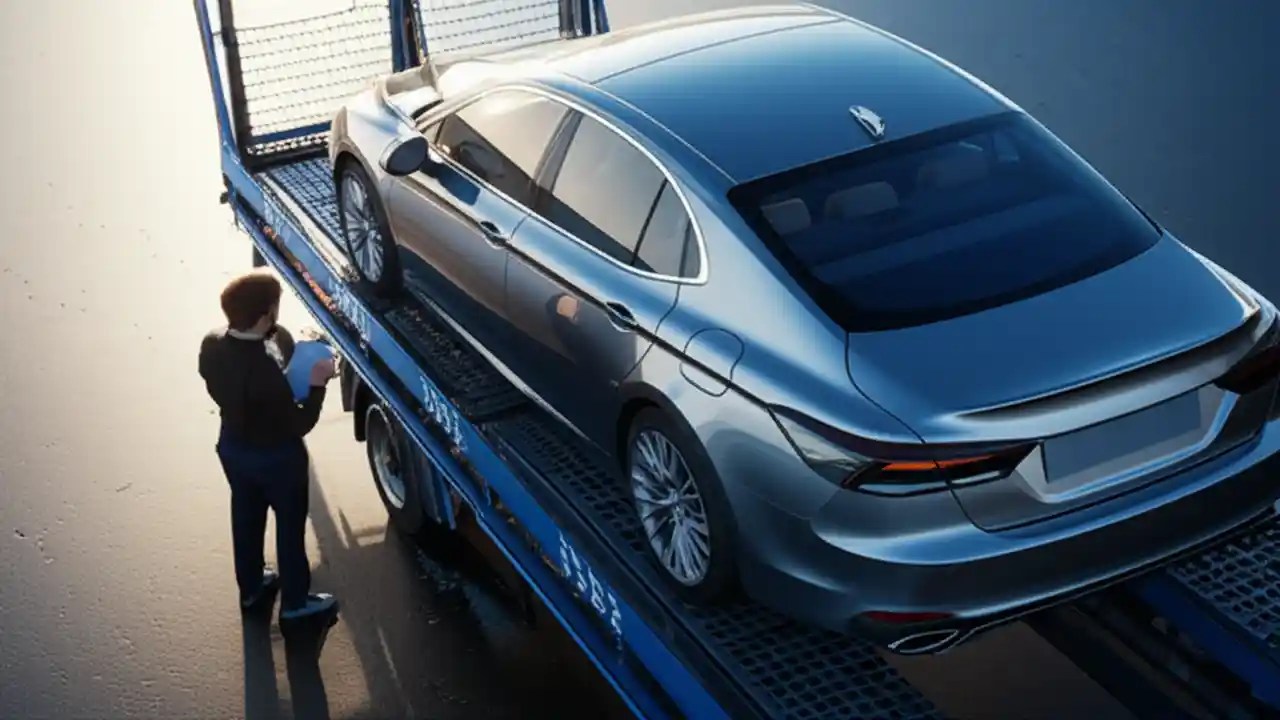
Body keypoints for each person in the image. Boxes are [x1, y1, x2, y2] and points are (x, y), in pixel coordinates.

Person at [198, 270, 339, 624]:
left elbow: (223, 386)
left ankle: (252, 588)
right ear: (266, 315)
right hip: (278, 459)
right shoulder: (264, 372)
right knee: (289, 529)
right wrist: (318, 384)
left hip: (233, 447)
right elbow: (299, 423)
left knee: (246, 519)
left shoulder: (212, 344)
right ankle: (296, 603)